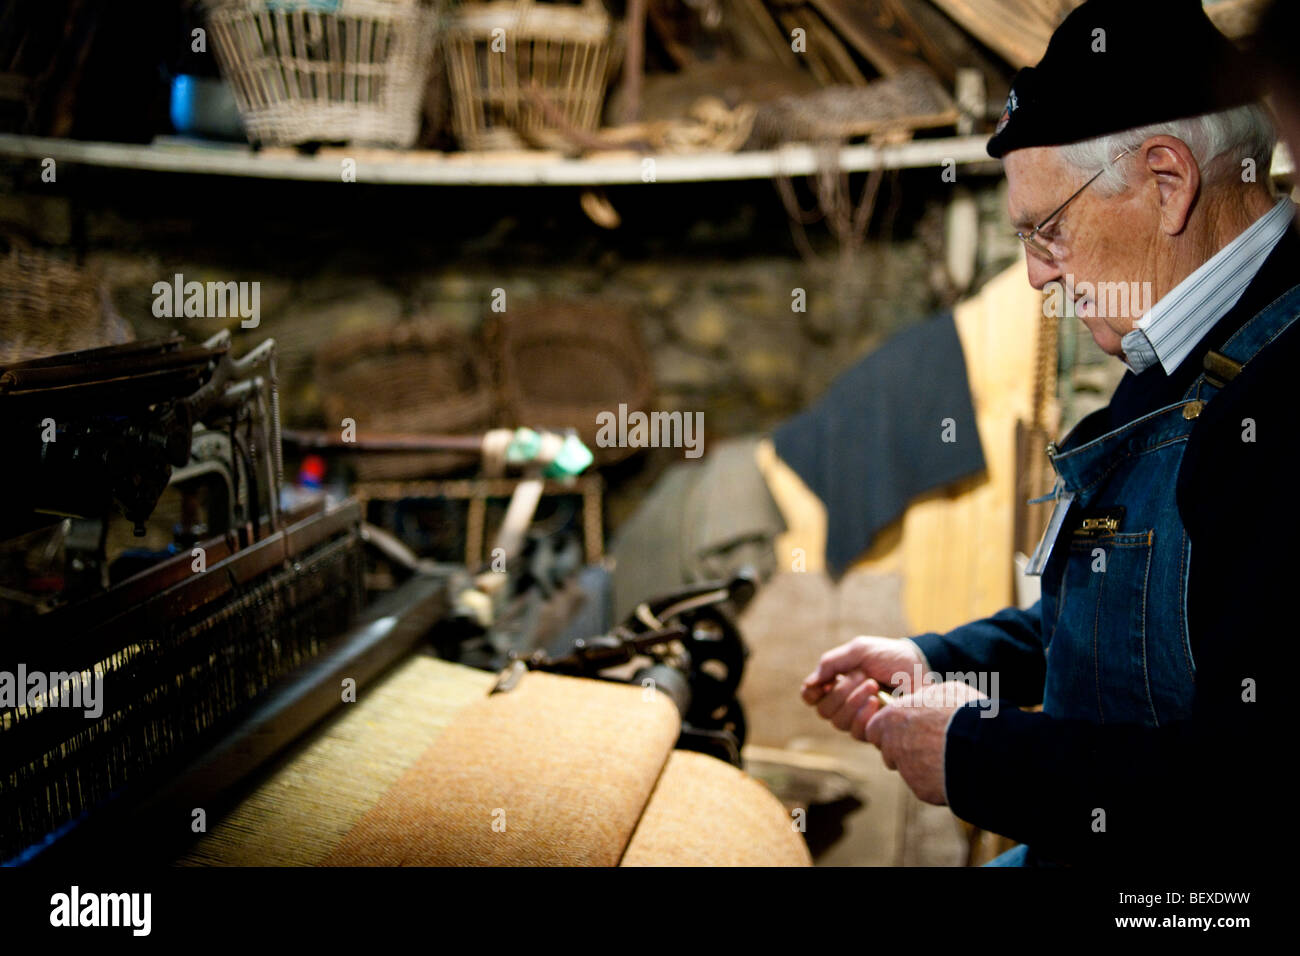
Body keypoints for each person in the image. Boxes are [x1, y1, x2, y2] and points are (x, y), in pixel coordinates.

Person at [802, 0, 1294, 866]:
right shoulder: (1173, 361)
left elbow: (1250, 790)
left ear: (1168, 182)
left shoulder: (1276, 403)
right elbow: (1119, 626)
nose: (1034, 276)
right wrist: (937, 659)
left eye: (1047, 230)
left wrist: (973, 755)